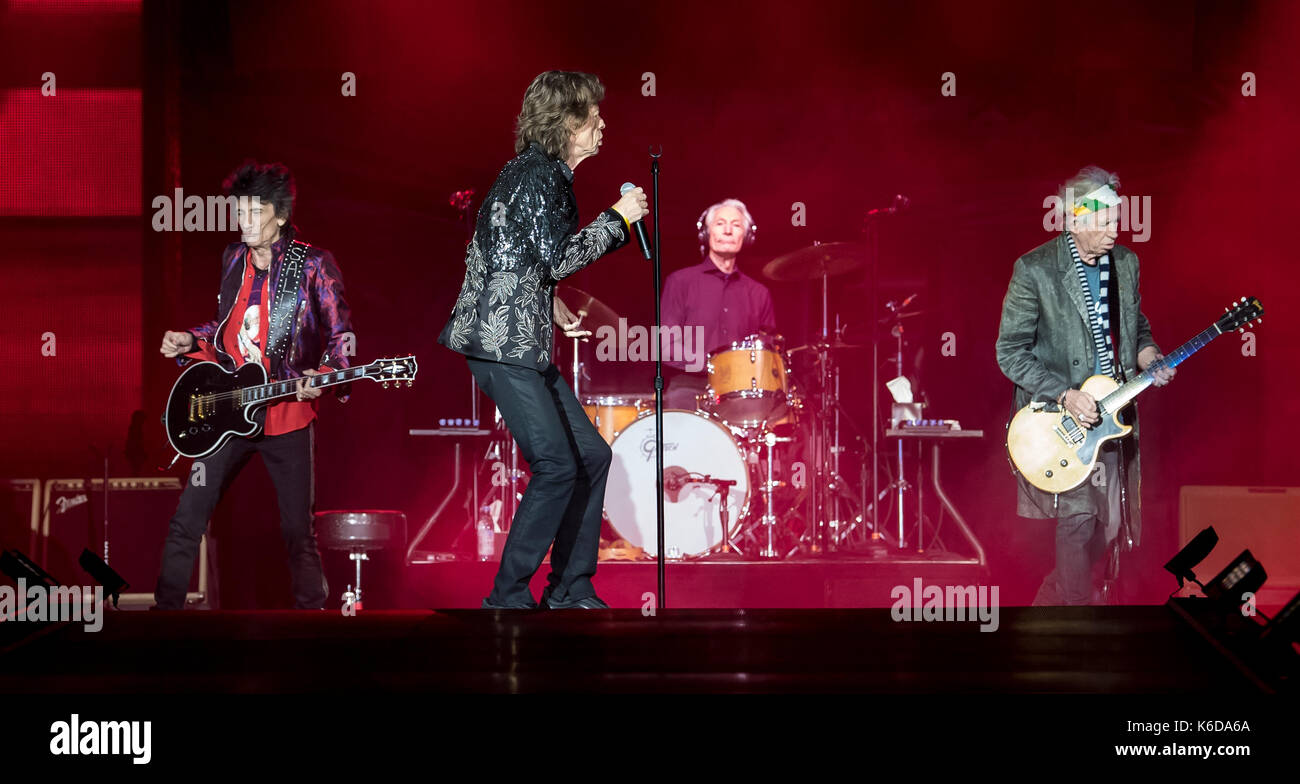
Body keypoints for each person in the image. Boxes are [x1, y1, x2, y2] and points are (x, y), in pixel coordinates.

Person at [438, 70, 648, 610]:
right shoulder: (541, 177)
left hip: (517, 343)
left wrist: (545, 300)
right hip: (503, 347)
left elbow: (505, 253)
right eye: (593, 116)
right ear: (567, 123)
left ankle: (571, 586)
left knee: (592, 456)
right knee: (556, 464)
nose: (602, 124)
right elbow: (556, 257)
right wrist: (618, 221)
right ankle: (507, 596)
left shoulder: (530, 173)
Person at [156, 161, 354, 609]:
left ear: (280, 216)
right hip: (228, 408)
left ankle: (312, 625)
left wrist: (322, 378)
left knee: (297, 533)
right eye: (239, 210)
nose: (243, 221)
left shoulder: (313, 265)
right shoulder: (233, 258)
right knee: (187, 518)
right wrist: (191, 338)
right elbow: (225, 327)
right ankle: (163, 619)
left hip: (285, 413)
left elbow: (341, 336)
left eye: (253, 211)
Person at [995, 165, 1173, 605]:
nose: (1116, 228)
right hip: (1061, 420)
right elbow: (1010, 351)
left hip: (1112, 414)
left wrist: (1149, 356)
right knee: (1078, 520)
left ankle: (1048, 613)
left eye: (1117, 217)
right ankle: (1078, 633)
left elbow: (1136, 329)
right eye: (1105, 219)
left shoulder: (1127, 264)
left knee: (1110, 528)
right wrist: (1064, 394)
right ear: (1075, 219)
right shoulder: (1035, 269)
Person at [660, 198, 776, 409]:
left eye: (736, 225)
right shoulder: (680, 282)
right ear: (706, 233)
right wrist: (714, 364)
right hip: (689, 387)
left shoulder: (759, 293)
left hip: (740, 391)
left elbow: (766, 353)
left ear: (747, 236)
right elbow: (667, 345)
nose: (728, 231)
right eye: (720, 223)